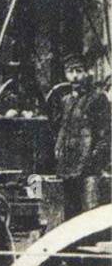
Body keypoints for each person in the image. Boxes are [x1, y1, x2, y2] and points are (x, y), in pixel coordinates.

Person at [54, 53, 111, 219]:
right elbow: (63, 129)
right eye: (70, 72)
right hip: (67, 167)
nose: (74, 76)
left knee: (88, 215)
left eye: (79, 71)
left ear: (87, 72)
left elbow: (105, 135)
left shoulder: (97, 99)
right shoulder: (67, 101)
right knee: (69, 214)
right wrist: (58, 148)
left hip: (88, 169)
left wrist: (95, 161)